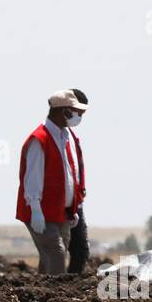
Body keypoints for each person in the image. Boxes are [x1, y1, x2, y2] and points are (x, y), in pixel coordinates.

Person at [15, 88, 88, 275]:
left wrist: (74, 206)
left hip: (60, 212)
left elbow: (70, 174)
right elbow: (32, 177)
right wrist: (36, 209)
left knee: (52, 254)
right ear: (63, 111)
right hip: (42, 211)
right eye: (75, 111)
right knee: (56, 252)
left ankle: (43, 298)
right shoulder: (40, 139)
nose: (78, 116)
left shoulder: (66, 137)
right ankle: (57, 298)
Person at [66, 88, 90, 274]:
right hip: (61, 205)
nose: (80, 118)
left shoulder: (71, 136)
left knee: (80, 250)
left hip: (75, 203)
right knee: (55, 252)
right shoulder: (52, 136)